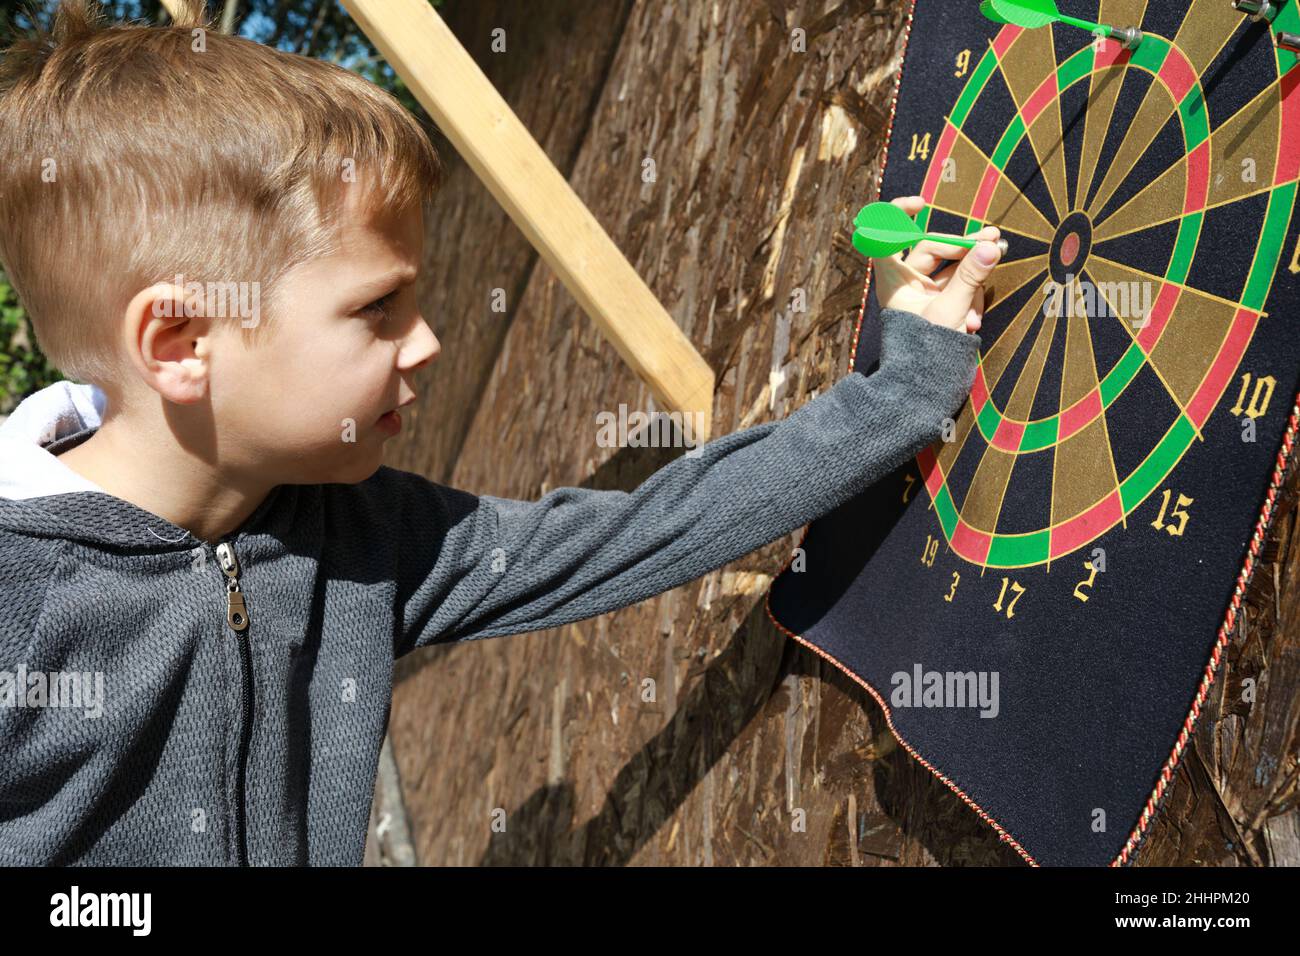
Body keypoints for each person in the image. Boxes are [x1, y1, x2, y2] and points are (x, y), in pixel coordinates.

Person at [0, 0, 1001, 864]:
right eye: (377, 308)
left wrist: (893, 395)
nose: (426, 340)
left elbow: (635, 530)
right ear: (180, 340)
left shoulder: (361, 533)